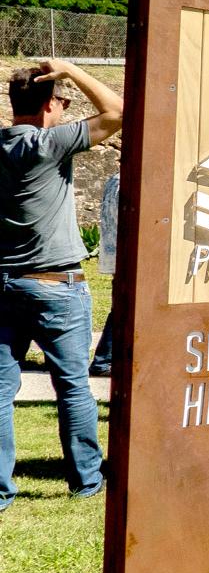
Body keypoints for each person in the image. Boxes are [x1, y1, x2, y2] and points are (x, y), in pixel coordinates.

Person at [1, 60, 122, 511]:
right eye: (63, 102)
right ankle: (86, 481)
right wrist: (70, 68)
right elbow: (116, 111)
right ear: (51, 103)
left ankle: (0, 490)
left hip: (3, 282)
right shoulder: (47, 145)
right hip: (55, 284)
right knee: (72, 386)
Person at [90, 162, 119, 377]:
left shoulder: (114, 180)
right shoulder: (127, 183)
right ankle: (104, 360)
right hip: (128, 255)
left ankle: (105, 359)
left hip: (115, 254)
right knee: (123, 310)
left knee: (121, 308)